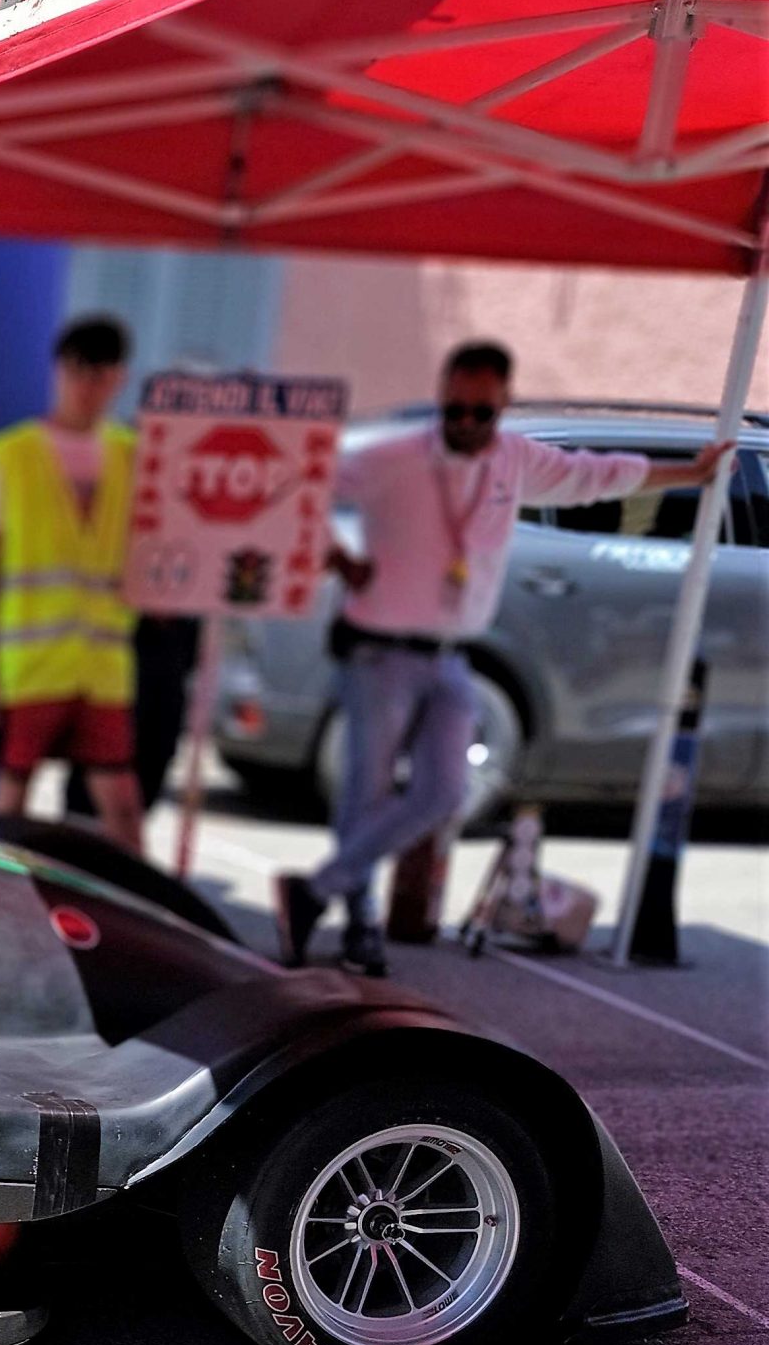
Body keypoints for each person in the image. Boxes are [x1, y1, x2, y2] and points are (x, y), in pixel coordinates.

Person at [276, 340, 729, 975]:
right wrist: (333, 553)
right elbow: (299, 479)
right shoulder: (395, 456)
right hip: (378, 650)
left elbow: (590, 475)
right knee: (365, 795)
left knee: (446, 791)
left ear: (502, 405)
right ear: (441, 398)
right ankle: (359, 924)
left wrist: (686, 474)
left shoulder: (513, 459)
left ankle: (315, 890)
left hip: (452, 654)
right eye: (454, 410)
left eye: (480, 413)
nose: (464, 424)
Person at [0, 315, 145, 854]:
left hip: (103, 669)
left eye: (101, 375)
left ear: (119, 379)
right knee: (11, 804)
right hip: (30, 668)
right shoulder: (7, 456)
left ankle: (142, 917)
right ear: (59, 372)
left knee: (123, 806)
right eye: (78, 373)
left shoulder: (134, 457)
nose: (88, 388)